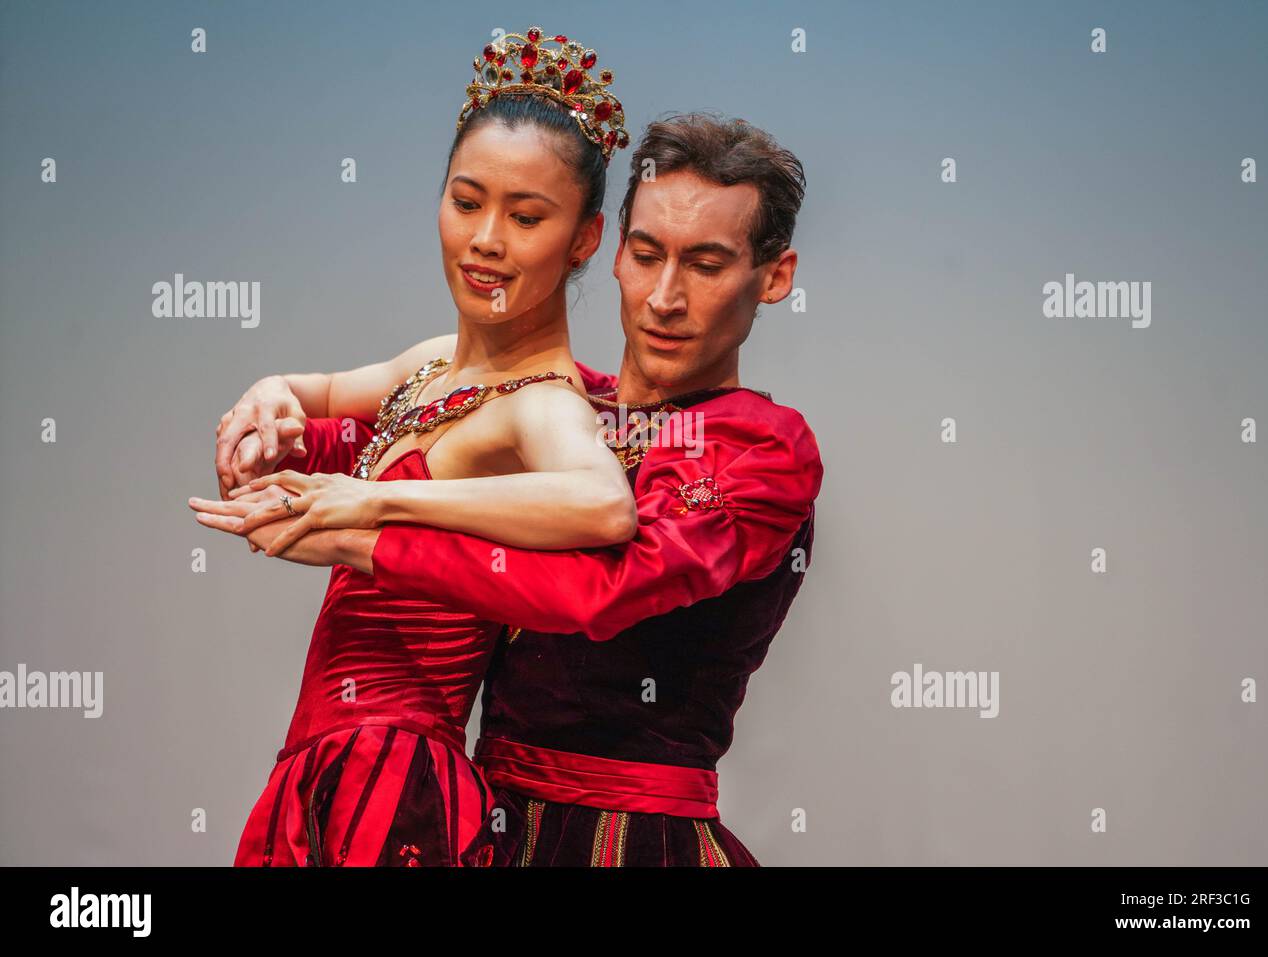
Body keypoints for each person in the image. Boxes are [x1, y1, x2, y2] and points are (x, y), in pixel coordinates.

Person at [201, 112, 821, 866]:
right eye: (648, 253)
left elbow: (607, 585)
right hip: (477, 825)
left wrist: (371, 536)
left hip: (629, 841)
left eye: (707, 264)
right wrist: (278, 419)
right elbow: (397, 451)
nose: (663, 297)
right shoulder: (556, 406)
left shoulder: (758, 447)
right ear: (611, 252)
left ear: (775, 276)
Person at [189, 27, 640, 866]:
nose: (487, 239)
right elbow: (315, 393)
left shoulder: (538, 403)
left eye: (528, 215)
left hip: (394, 774)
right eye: (467, 201)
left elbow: (606, 504)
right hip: (328, 764)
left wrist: (379, 503)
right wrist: (268, 397)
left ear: (585, 240)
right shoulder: (431, 362)